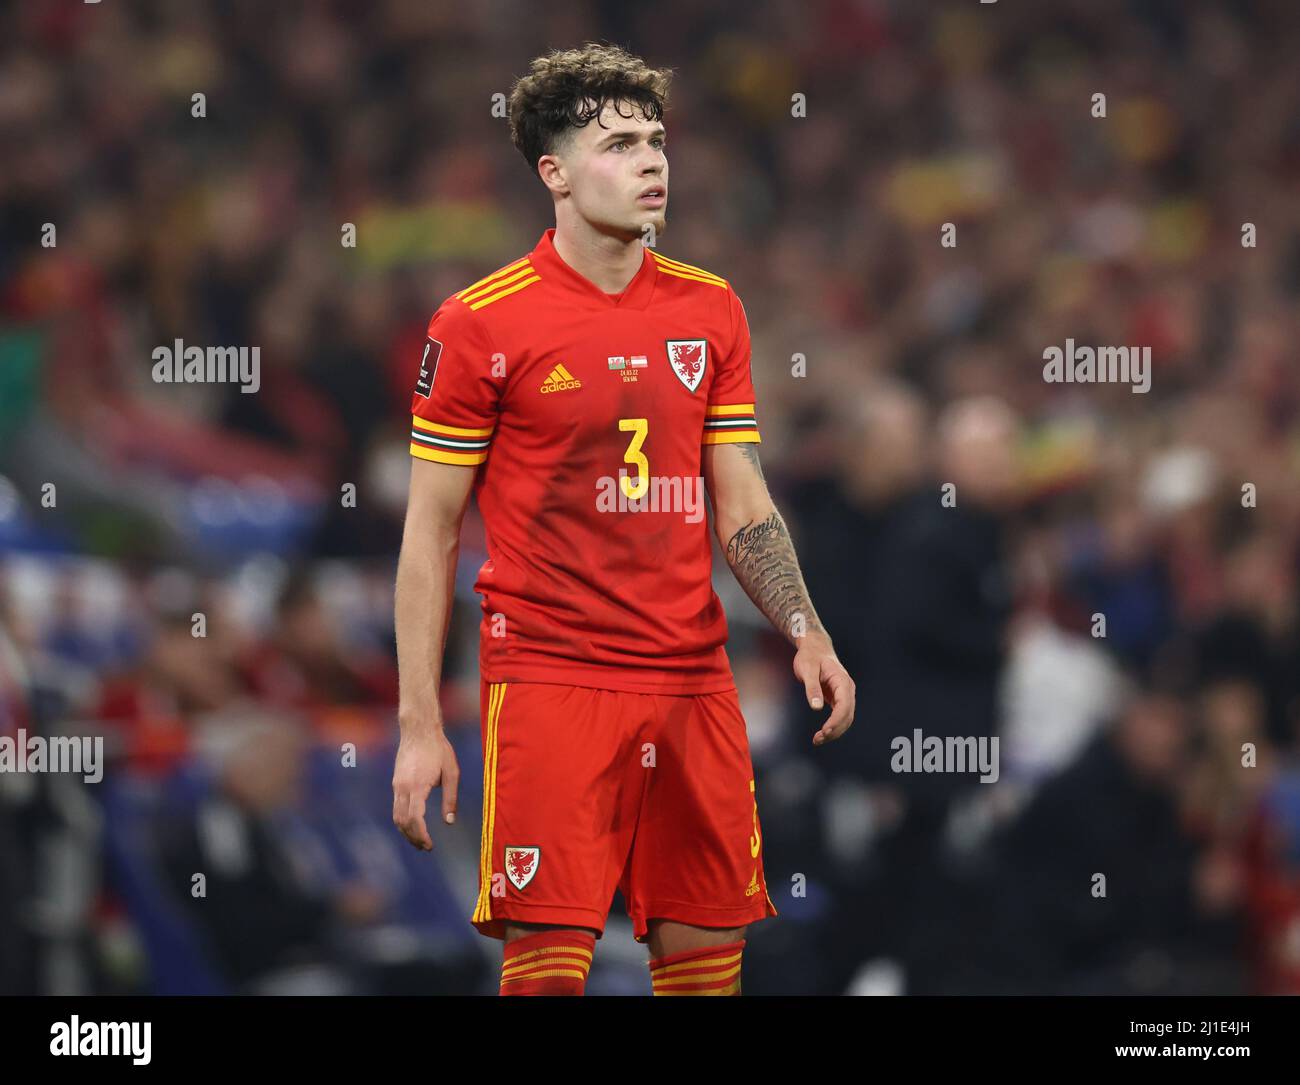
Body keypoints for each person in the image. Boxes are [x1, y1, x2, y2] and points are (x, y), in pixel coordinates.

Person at [390, 42, 855, 996]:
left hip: (692, 678)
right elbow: (429, 533)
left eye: (655, 140)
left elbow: (743, 501)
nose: (651, 161)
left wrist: (805, 630)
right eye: (617, 144)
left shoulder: (712, 309)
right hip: (552, 675)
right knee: (549, 970)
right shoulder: (480, 323)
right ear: (553, 173)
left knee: (705, 972)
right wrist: (418, 721)